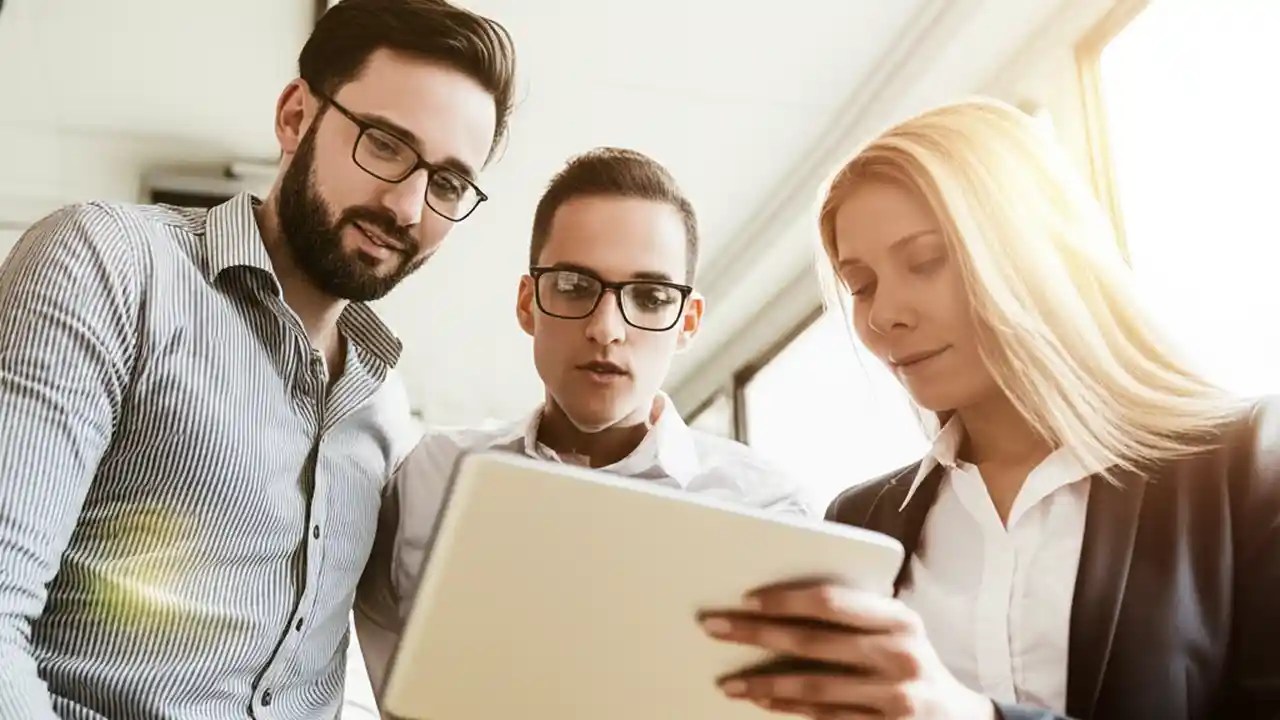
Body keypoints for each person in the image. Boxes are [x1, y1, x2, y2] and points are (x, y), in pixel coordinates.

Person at [0, 1, 516, 717]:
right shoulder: (114, 265)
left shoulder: (384, 413)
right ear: (294, 116)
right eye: (385, 144)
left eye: (449, 183)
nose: (407, 204)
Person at [696, 98, 1280, 719]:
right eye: (860, 284)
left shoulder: (1245, 465)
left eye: (925, 262)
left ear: (1031, 250)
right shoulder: (859, 521)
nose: (882, 313)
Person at [355, 147, 810, 690]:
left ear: (686, 322)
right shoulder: (428, 476)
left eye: (650, 296)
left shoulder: (769, 510)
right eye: (573, 286)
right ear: (528, 303)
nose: (606, 328)